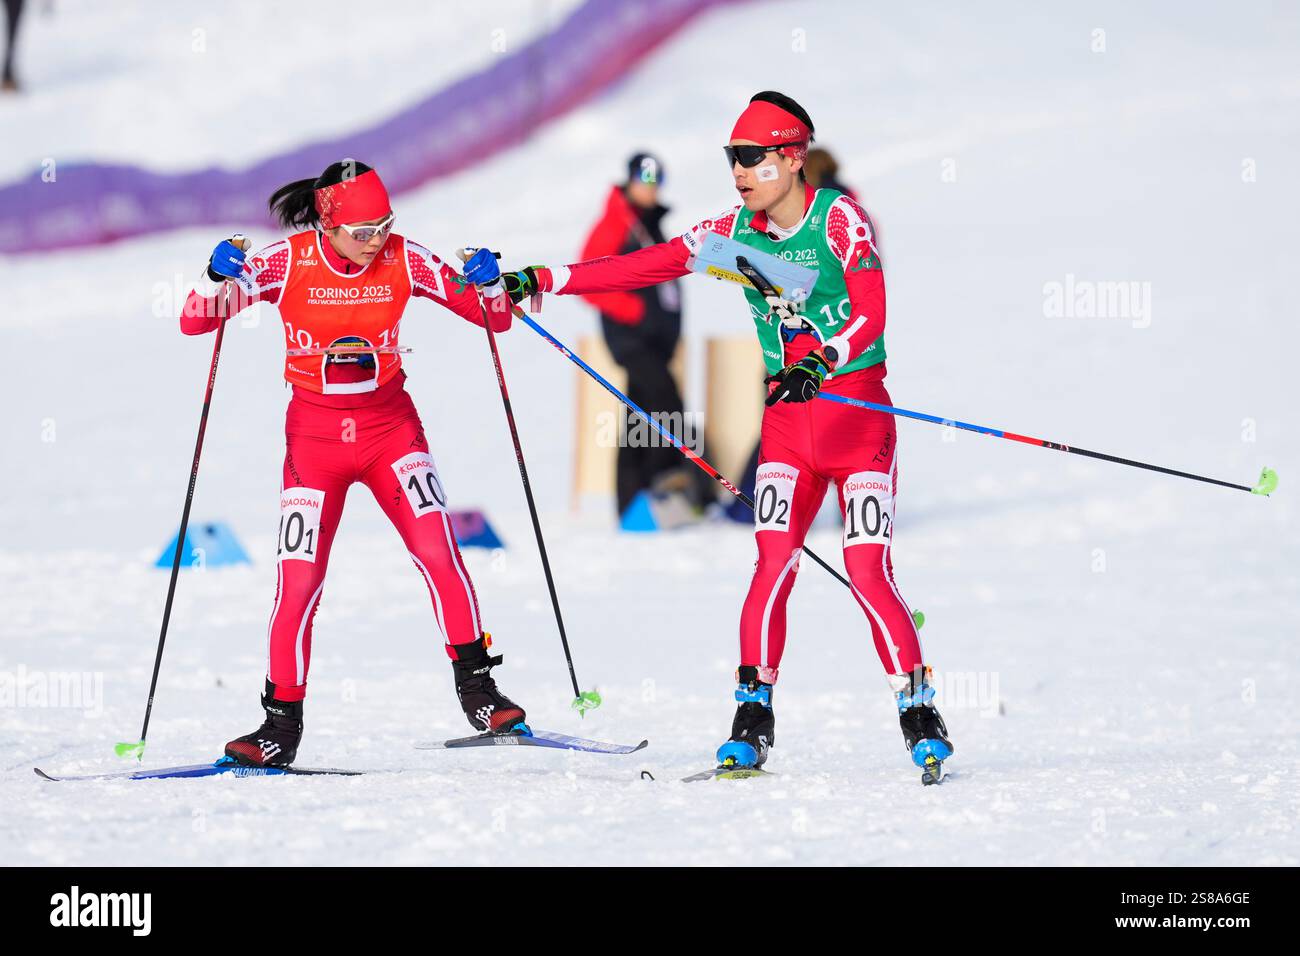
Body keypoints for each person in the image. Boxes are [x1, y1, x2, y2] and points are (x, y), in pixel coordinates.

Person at [476, 92, 953, 781]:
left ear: (792, 157)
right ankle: (752, 718)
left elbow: (872, 315)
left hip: (857, 419)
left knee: (865, 571)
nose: (739, 170)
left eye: (752, 158)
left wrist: (820, 360)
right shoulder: (735, 234)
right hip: (788, 428)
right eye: (733, 158)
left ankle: (918, 710)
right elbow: (645, 264)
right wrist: (540, 278)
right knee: (770, 565)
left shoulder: (839, 220)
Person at [178, 160, 527, 767]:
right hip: (314, 445)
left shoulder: (404, 257)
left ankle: (478, 691)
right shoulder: (285, 262)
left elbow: (493, 318)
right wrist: (214, 279)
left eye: (384, 225)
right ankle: (278, 725)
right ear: (327, 223)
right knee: (299, 587)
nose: (375, 241)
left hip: (391, 433)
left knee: (439, 553)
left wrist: (490, 283)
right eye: (362, 229)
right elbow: (194, 321)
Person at [577, 152, 687, 517]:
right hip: (633, 339)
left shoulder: (649, 223)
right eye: (645, 182)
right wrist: (637, 312)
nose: (651, 191)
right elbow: (589, 282)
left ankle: (633, 503)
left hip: (656, 340)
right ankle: (662, 484)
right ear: (630, 181)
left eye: (656, 184)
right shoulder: (615, 222)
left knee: (639, 416)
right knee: (666, 403)